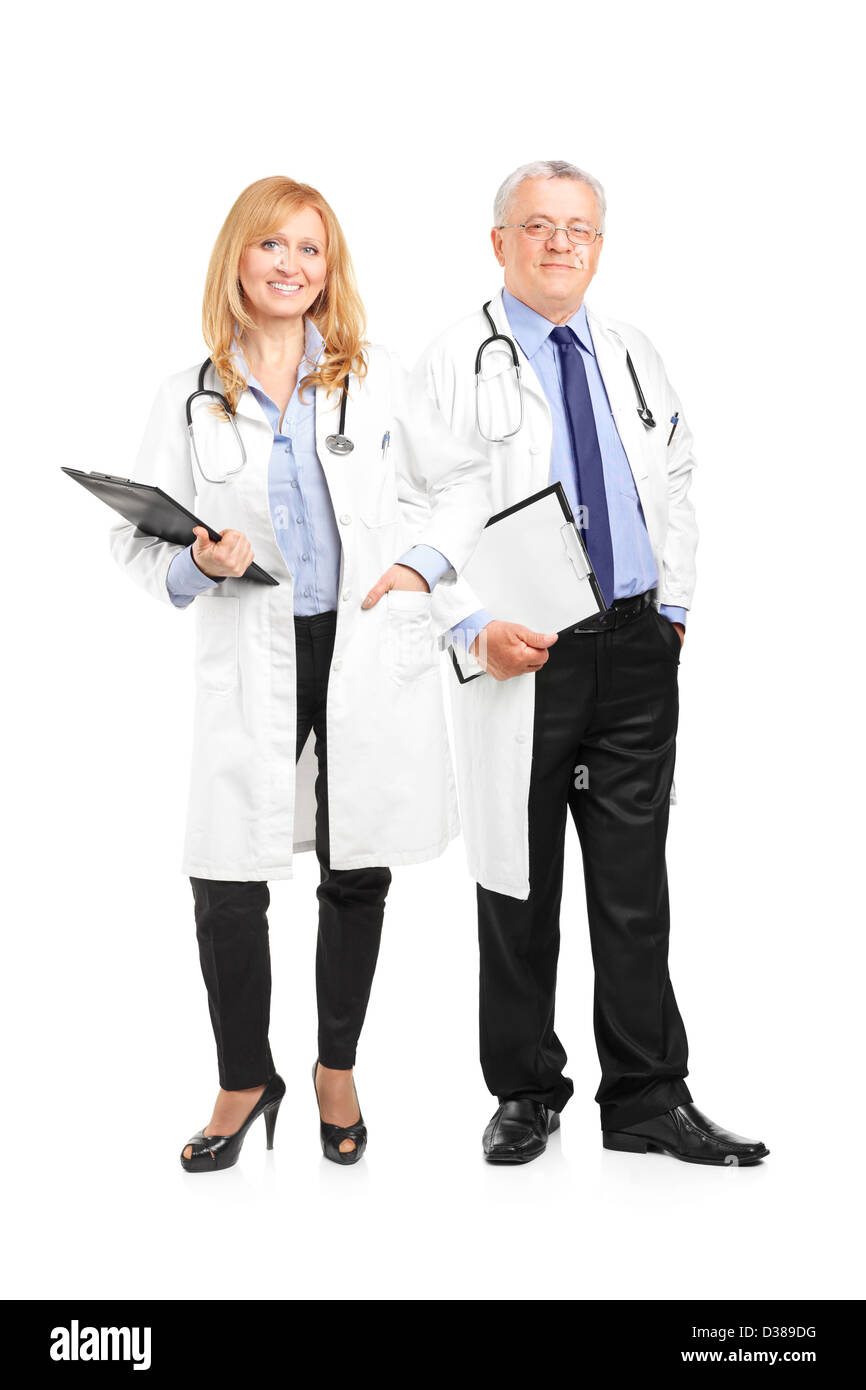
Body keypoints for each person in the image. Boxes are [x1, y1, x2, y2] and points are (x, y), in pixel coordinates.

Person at [109, 175, 490, 1170]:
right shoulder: (189, 394)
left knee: (352, 860)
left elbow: (464, 482)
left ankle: (333, 1067)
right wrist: (200, 561)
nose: (291, 265)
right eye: (272, 246)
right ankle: (245, 1077)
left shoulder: (379, 376)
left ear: (330, 271)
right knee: (223, 875)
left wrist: (420, 565)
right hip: (251, 648)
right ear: (237, 258)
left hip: (359, 643)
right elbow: (135, 544)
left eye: (310, 250)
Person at [415, 160, 769, 1166]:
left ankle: (647, 1097)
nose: (558, 242)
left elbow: (679, 470)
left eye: (577, 228)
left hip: (632, 645)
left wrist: (675, 606)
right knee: (516, 883)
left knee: (630, 883)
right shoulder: (452, 360)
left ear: (598, 245)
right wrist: (468, 625)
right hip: (520, 652)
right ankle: (525, 1092)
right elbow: (407, 508)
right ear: (499, 243)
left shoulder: (629, 351)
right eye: (536, 226)